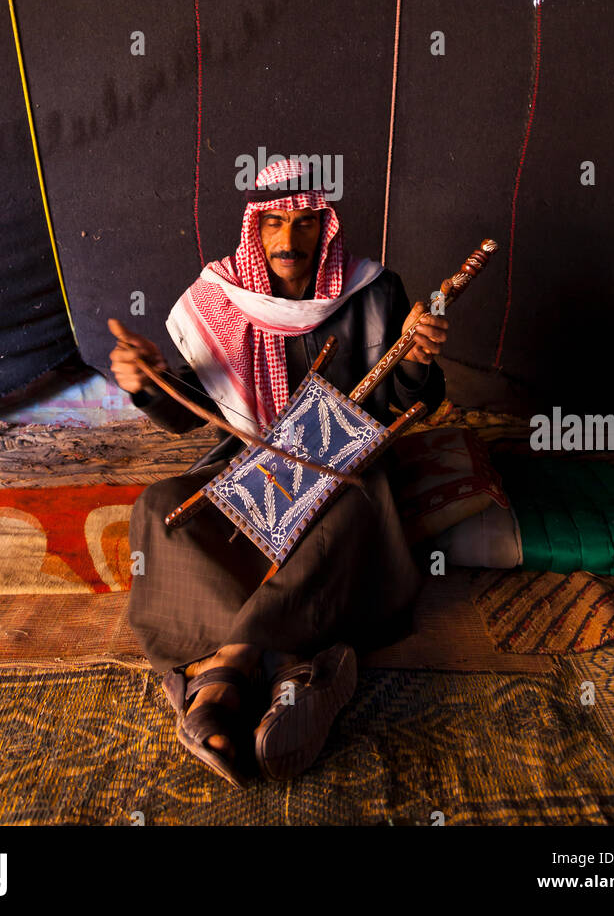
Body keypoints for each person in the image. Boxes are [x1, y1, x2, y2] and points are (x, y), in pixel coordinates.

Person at [109, 157, 448, 787]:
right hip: (253, 470)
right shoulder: (222, 298)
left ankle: (224, 671)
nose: (287, 241)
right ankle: (297, 670)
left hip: (349, 469)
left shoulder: (373, 291)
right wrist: (148, 383)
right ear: (253, 229)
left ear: (327, 227)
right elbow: (189, 416)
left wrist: (413, 358)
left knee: (341, 510)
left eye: (304, 223)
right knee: (159, 510)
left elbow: (415, 404)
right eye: (272, 224)